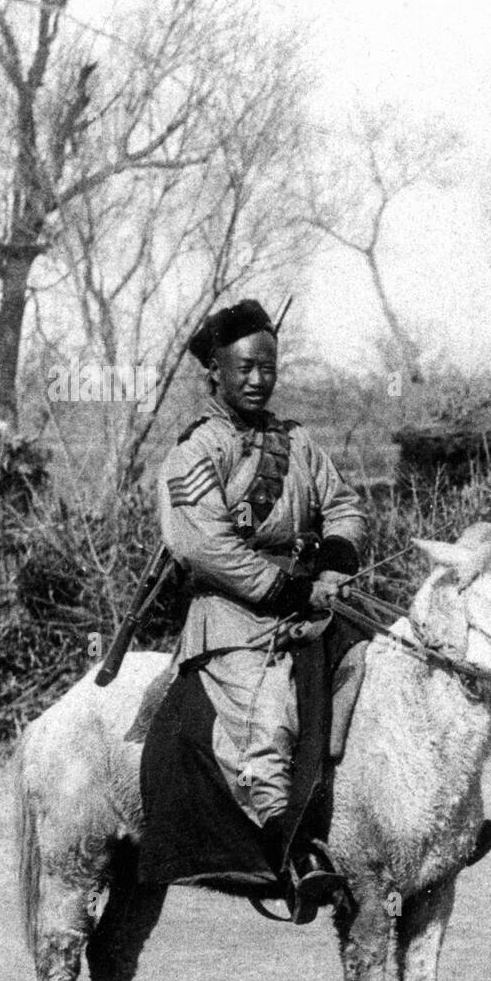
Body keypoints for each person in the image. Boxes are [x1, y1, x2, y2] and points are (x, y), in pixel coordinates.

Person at [158, 298, 369, 921]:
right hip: (230, 617)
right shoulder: (194, 454)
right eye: (245, 367)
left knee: (376, 661)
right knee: (267, 718)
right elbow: (202, 544)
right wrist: (284, 590)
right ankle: (292, 853)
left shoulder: (298, 442)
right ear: (215, 372)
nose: (258, 379)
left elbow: (346, 506)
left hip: (311, 602)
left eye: (268, 367)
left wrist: (333, 562)